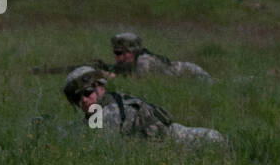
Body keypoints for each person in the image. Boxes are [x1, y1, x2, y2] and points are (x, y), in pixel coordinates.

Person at [62, 66, 225, 146]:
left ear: (101, 88)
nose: (83, 100)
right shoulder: (102, 108)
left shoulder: (109, 112)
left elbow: (97, 146)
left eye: (87, 92)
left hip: (182, 142)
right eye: (77, 98)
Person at [110, 32, 212, 81]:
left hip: (192, 74)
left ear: (132, 53)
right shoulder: (128, 63)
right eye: (116, 53)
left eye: (121, 53)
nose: (118, 57)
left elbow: (136, 83)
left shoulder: (145, 62)